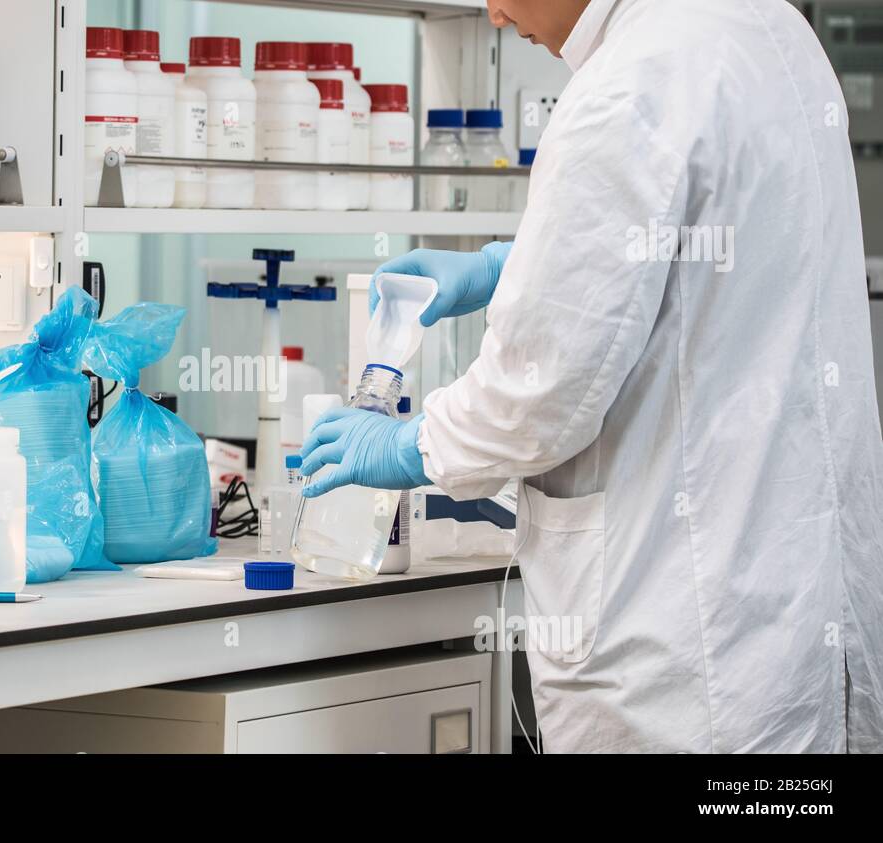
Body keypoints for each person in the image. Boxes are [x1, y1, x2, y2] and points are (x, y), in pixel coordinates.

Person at [299, 0, 883, 753]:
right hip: (796, 632)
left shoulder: (628, 84)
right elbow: (707, 255)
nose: (495, 14)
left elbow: (539, 396)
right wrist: (505, 269)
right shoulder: (766, 26)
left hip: (687, 664)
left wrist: (413, 442)